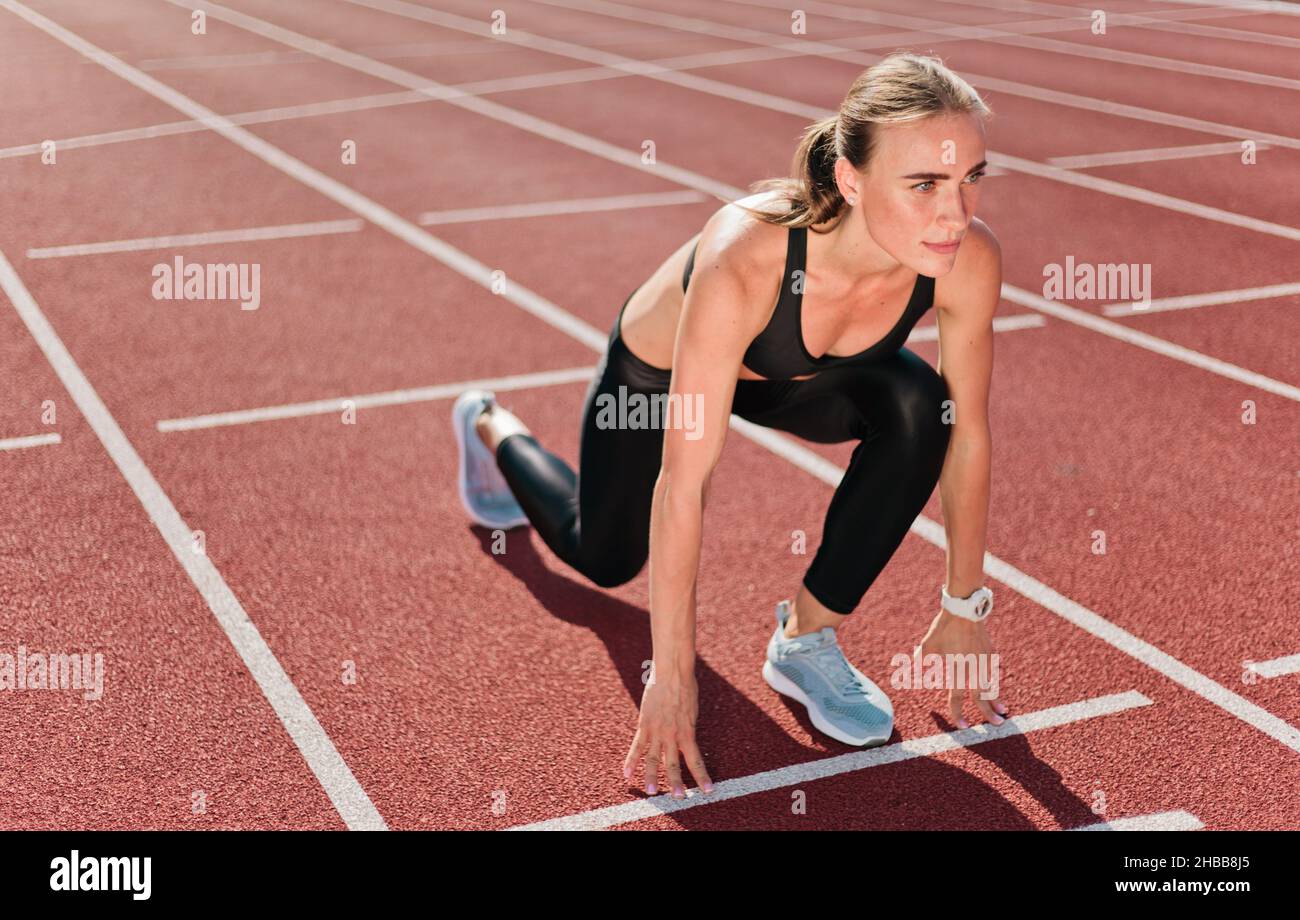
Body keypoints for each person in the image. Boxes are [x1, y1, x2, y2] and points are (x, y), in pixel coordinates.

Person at [453, 52, 1007, 800]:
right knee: (607, 556)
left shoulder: (965, 259)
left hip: (810, 376)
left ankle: (805, 637)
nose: (956, 213)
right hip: (658, 377)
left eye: (971, 177)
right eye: (925, 185)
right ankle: (488, 424)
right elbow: (685, 483)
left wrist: (963, 603)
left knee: (921, 410)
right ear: (851, 179)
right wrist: (672, 675)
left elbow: (968, 433)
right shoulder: (744, 256)